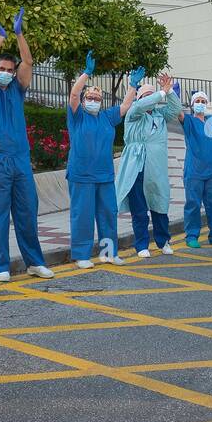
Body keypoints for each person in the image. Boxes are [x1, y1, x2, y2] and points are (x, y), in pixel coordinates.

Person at [0, 8, 53, 282]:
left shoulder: (18, 90)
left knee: (26, 211)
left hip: (20, 160)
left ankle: (34, 262)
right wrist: (0, 39)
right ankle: (2, 266)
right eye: (3, 69)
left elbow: (28, 62)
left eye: (10, 69)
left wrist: (19, 34)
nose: (7, 73)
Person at [68, 51, 135, 268]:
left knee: (108, 214)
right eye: (90, 97)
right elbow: (73, 95)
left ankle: (108, 253)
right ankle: (81, 255)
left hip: (104, 176)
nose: (94, 100)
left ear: (102, 101)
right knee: (83, 216)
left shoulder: (107, 117)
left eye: (97, 98)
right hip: (81, 175)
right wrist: (86, 74)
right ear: (85, 99)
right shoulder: (77, 116)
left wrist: (133, 86)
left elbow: (125, 106)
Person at [117, 70, 182, 258]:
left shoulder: (160, 115)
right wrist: (159, 93)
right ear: (139, 98)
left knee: (160, 206)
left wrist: (168, 92)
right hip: (137, 168)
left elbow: (175, 108)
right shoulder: (134, 113)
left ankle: (164, 242)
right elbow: (143, 103)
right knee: (140, 210)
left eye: (152, 95)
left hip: (157, 169)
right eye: (146, 96)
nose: (150, 100)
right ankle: (142, 245)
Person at [180, 91, 212, 248]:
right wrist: (172, 94)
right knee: (193, 204)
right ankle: (192, 236)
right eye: (197, 101)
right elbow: (178, 113)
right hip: (194, 172)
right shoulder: (189, 122)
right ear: (192, 105)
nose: (200, 103)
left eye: (203, 101)